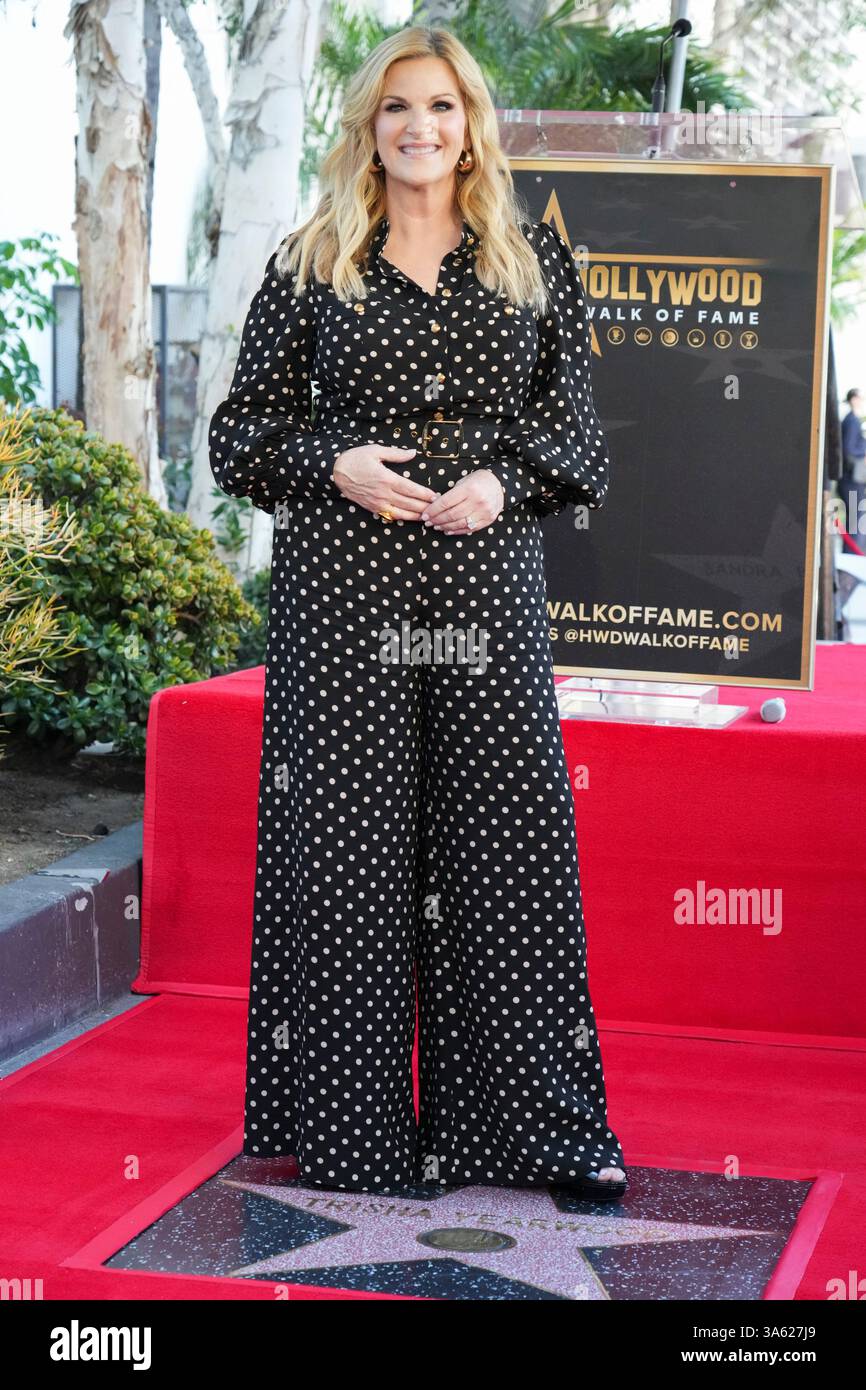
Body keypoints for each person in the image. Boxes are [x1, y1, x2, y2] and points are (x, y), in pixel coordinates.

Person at [209, 24, 627, 1200]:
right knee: (349, 861)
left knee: (509, 856)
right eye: (397, 107)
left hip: (485, 596)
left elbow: (580, 438)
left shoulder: (533, 263)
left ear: (469, 124)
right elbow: (238, 435)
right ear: (368, 126)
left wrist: (504, 480)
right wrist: (335, 460)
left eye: (440, 106)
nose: (419, 128)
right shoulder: (310, 262)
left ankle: (542, 1131)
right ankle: (355, 1137)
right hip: (344, 598)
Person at [840, 388, 866, 550]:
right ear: (854, 399)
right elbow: (848, 450)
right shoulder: (852, 421)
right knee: (856, 523)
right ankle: (851, 562)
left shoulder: (853, 420)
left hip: (854, 480)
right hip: (851, 480)